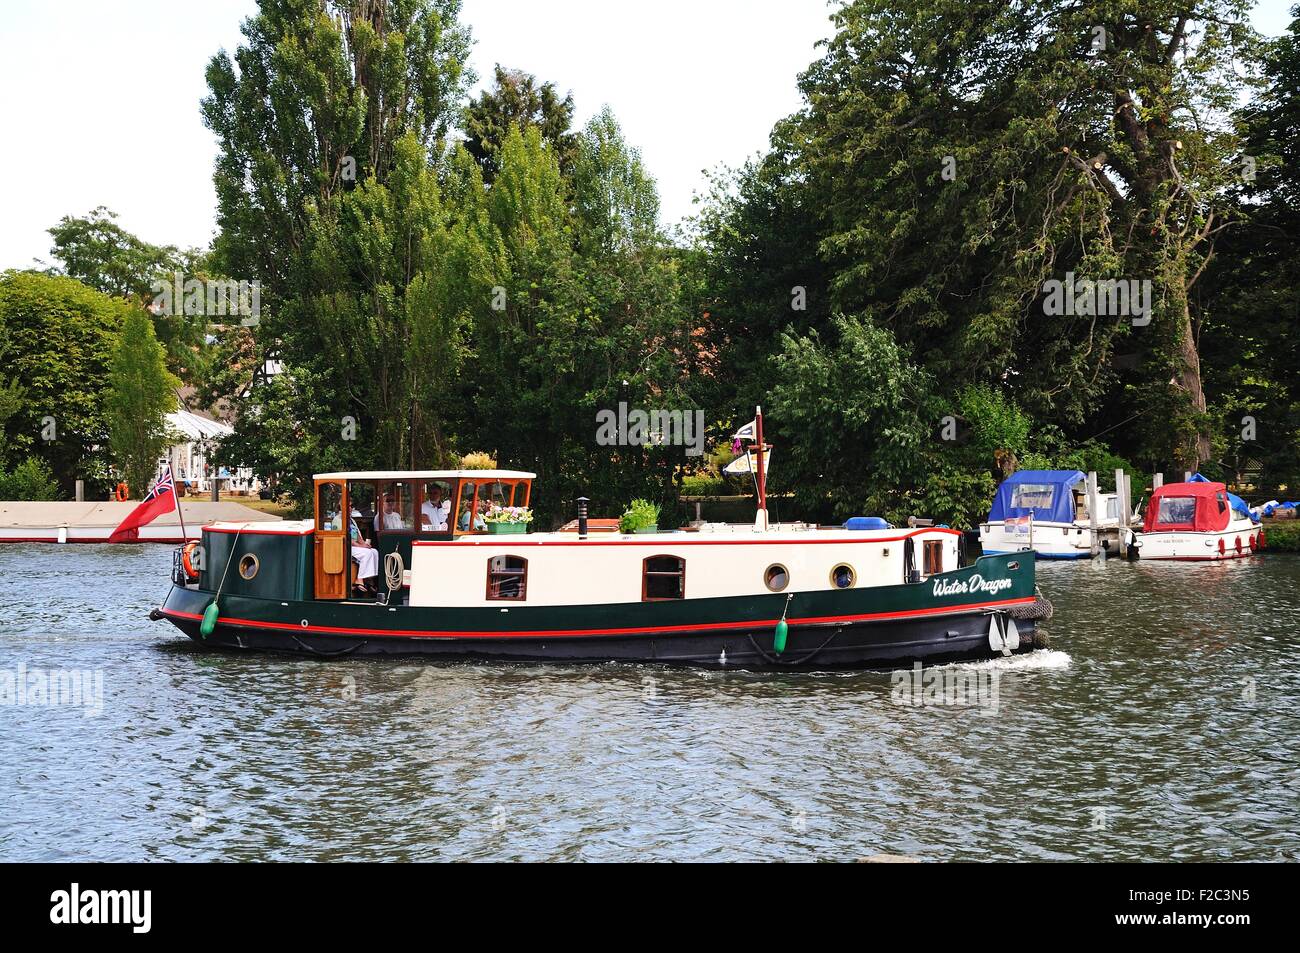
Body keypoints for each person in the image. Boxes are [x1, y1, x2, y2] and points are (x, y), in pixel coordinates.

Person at [349, 516, 379, 594]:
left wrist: (365, 544)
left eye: (351, 506)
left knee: (374, 552)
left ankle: (369, 579)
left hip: (356, 546)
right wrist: (361, 546)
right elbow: (348, 538)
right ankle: (359, 579)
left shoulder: (351, 520)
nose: (351, 508)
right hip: (347, 546)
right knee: (366, 553)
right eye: (349, 506)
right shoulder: (340, 520)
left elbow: (358, 536)